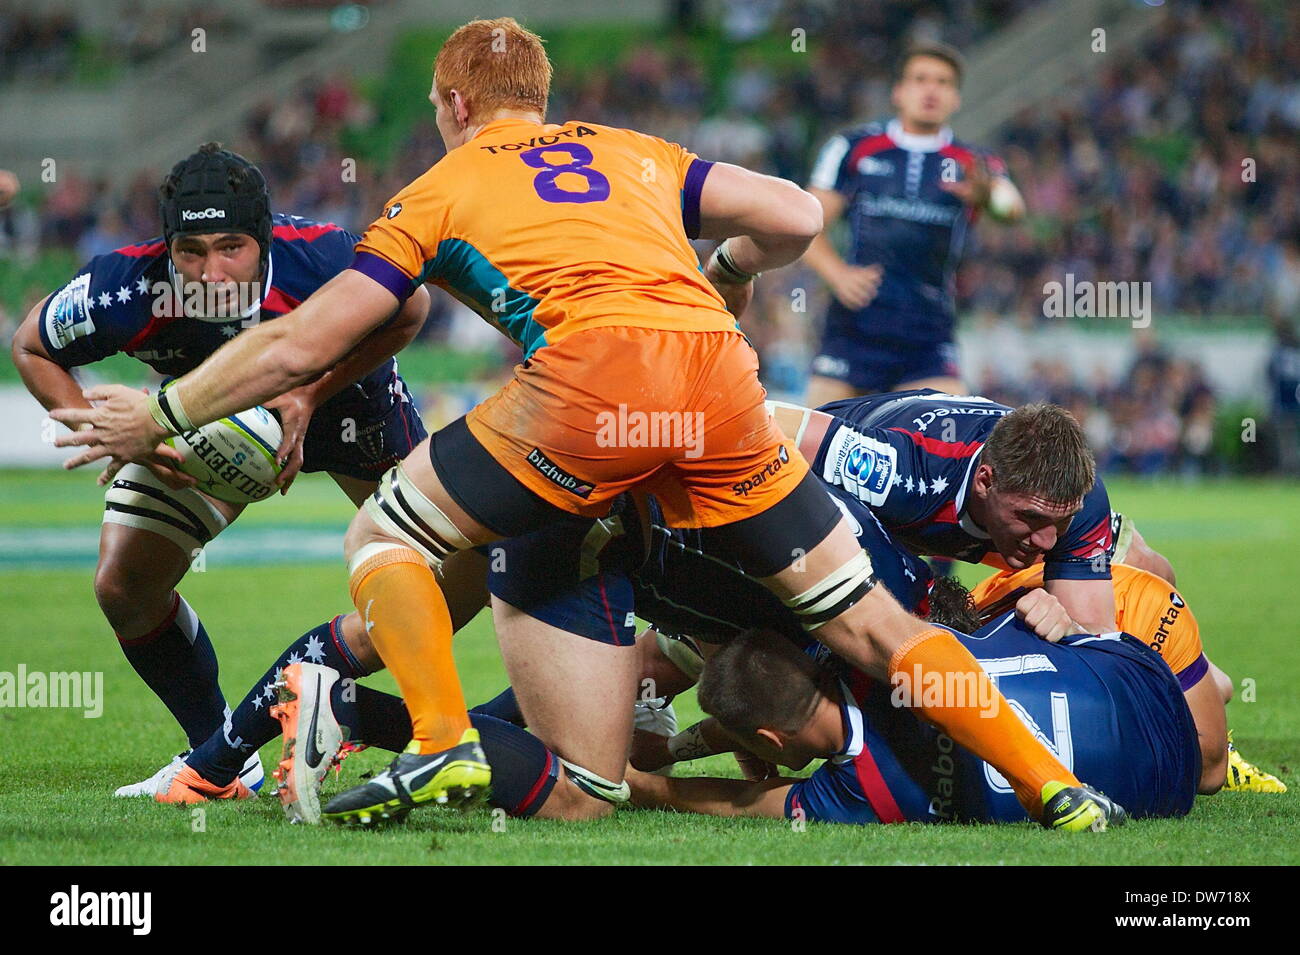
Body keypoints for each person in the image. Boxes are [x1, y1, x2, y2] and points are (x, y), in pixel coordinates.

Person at [52, 18, 1120, 832]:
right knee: (877, 627)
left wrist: (164, 410)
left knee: (388, 534)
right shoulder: (636, 152)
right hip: (716, 379)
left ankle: (442, 739)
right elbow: (796, 214)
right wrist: (730, 267)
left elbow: (302, 341)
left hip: (592, 385)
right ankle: (1060, 793)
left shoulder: (443, 182)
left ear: (452, 104)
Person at [10, 143, 430, 796]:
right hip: (214, 428)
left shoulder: (323, 255)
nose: (211, 272)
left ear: (264, 238)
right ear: (166, 245)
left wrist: (311, 392)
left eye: (231, 246)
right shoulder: (124, 286)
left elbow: (411, 307)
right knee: (124, 584)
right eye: (191, 250)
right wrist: (119, 436)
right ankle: (222, 760)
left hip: (351, 410)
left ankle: (451, 730)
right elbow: (32, 344)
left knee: (447, 568)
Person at [625, 624, 1197, 827]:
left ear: (773, 740)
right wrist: (673, 746)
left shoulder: (862, 792)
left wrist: (635, 782)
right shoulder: (878, 644)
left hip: (1167, 785)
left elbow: (746, 799)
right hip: (1140, 665)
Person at [802, 43, 1024, 405]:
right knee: (815, 444)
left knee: (947, 444)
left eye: (943, 82)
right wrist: (838, 274)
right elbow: (806, 225)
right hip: (854, 329)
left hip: (927, 335)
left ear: (956, 98)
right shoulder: (854, 148)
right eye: (920, 79)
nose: (931, 90)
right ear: (898, 92)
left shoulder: (973, 163)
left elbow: (1012, 209)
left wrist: (988, 197)